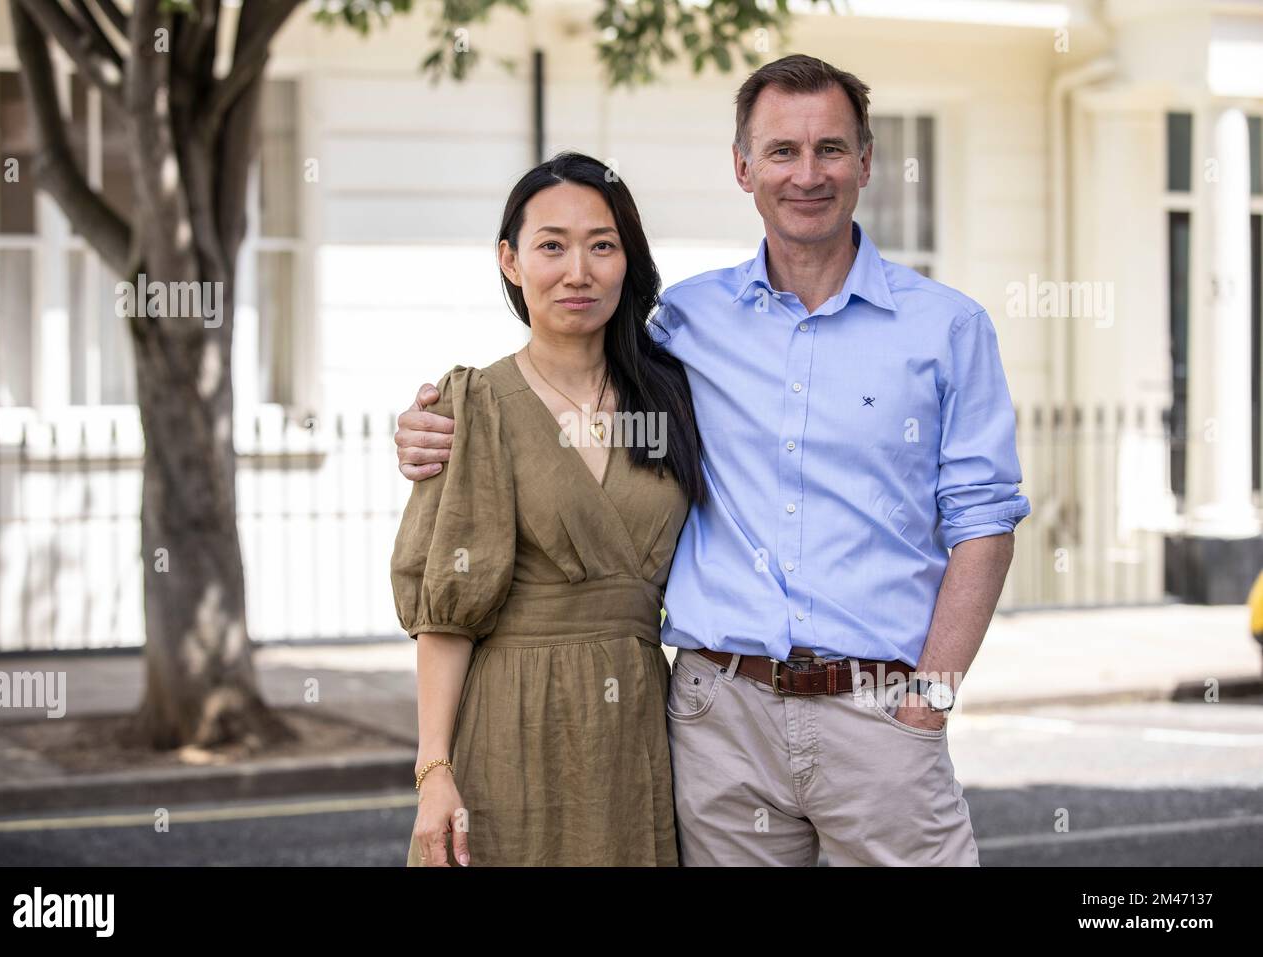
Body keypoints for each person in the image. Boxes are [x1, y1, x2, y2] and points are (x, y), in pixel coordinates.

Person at [396, 55, 1031, 866]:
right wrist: (425, 425)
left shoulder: (947, 327)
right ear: (743, 167)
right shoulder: (684, 327)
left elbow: (985, 522)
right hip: (717, 722)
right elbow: (552, 373)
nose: (807, 174)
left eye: (831, 149)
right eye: (781, 152)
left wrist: (930, 702)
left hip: (880, 719)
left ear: (866, 162)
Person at [391, 151, 706, 866]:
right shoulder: (473, 405)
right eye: (552, 246)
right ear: (510, 260)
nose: (578, 271)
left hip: (639, 726)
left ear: (628, 261)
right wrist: (433, 770)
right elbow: (445, 616)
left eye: (602, 245)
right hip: (511, 718)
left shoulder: (676, 396)